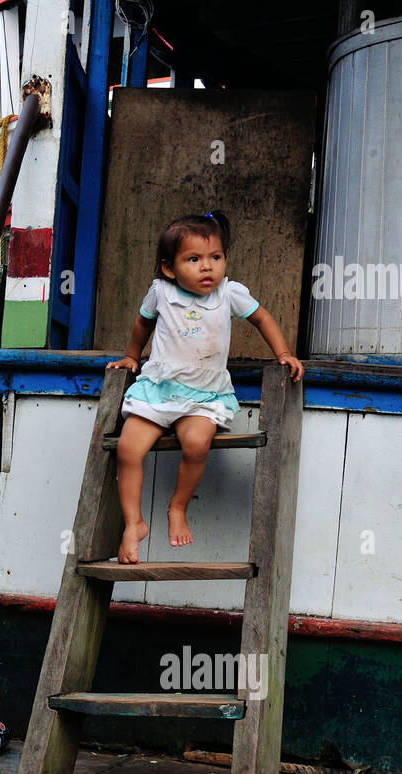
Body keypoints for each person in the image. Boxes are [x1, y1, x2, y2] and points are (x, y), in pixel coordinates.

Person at [105, 212, 303, 564]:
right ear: (170, 268)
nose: (207, 267)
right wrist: (131, 357)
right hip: (160, 391)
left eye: (216, 258)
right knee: (127, 450)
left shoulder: (230, 293)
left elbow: (262, 318)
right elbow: (141, 324)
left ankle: (177, 507)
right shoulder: (161, 292)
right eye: (193, 260)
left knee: (196, 445)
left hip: (203, 397)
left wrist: (283, 353)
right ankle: (133, 523)